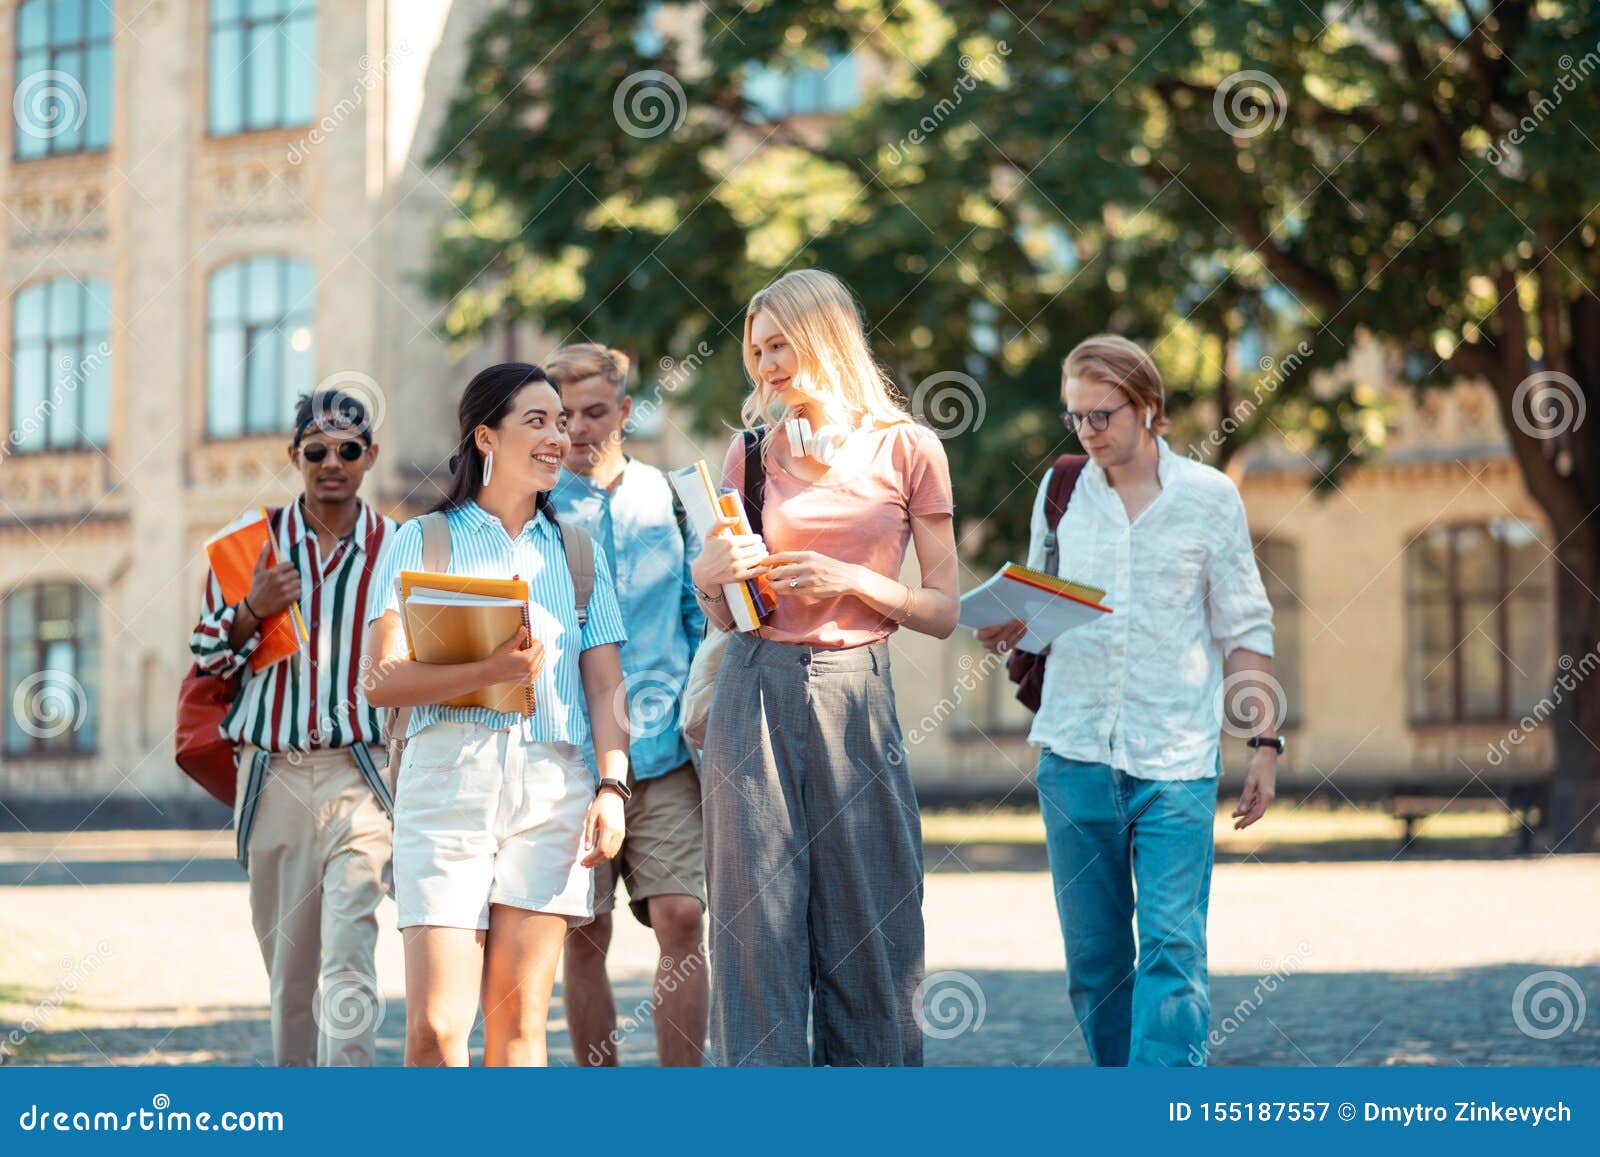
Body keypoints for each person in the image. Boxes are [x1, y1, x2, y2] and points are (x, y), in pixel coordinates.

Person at [977, 334, 1281, 1067]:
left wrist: (1264, 742)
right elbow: (1042, 608)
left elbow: (1246, 627)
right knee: (1095, 966)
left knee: (1174, 952)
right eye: (1075, 417)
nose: (1087, 431)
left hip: (1174, 762)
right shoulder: (1062, 494)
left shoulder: (1210, 499)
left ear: (1148, 407)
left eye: (1102, 415)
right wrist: (1017, 625)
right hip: (1075, 757)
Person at [691, 268, 960, 1066]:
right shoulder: (746, 455)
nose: (767, 365)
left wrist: (852, 580)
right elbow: (725, 611)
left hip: (857, 694)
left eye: (781, 344)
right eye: (757, 349)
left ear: (826, 336)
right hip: (755, 689)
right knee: (754, 934)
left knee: (872, 927)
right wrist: (712, 571)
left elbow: (943, 607)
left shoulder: (910, 449)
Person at [363, 362, 630, 1067]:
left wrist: (613, 786)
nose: (558, 435)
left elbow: (605, 687)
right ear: (486, 436)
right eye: (537, 421)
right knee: (437, 1027)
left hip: (553, 790)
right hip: (447, 783)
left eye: (562, 421)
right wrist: (492, 671)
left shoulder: (578, 553)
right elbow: (381, 681)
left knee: (517, 1035)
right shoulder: (423, 540)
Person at [187, 389, 397, 1066]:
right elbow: (207, 654)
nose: (331, 462)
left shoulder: (398, 546)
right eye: (316, 451)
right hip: (274, 776)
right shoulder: (253, 541)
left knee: (349, 963)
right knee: (292, 978)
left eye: (347, 450)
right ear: (294, 456)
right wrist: (252, 608)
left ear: (370, 456)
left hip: (361, 774)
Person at [548, 344, 709, 1066]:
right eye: (564, 415)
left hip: (665, 749)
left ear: (624, 408)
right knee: (585, 931)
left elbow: (699, 618)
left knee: (683, 915)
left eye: (594, 411)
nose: (579, 428)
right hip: (572, 757)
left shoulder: (672, 497)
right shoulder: (538, 508)